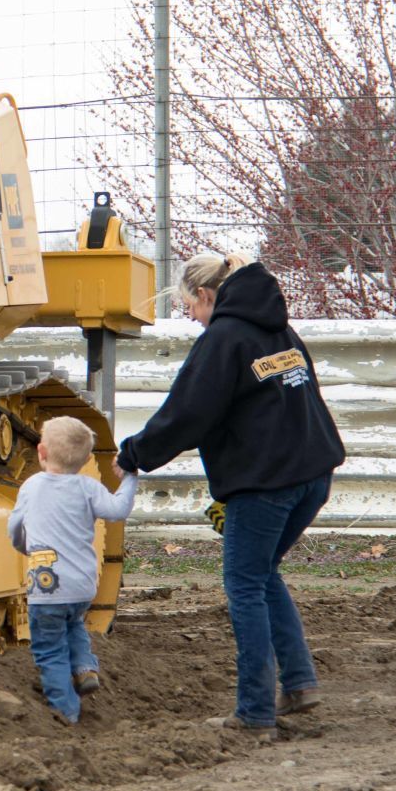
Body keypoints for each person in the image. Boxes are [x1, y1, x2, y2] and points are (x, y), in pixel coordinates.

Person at [117, 251, 345, 739]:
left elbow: (186, 414)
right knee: (262, 576)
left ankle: (255, 713)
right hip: (313, 474)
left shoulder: (223, 338)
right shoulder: (279, 329)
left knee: (244, 586)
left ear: (205, 295)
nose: (194, 319)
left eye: (191, 308)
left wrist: (133, 455)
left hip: (265, 484)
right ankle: (301, 683)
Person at [7, 416, 138, 723]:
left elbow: (15, 527)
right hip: (81, 585)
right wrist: (131, 477)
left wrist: (23, 545)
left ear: (40, 452)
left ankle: (65, 711)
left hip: (47, 587)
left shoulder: (31, 487)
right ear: (88, 458)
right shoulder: (88, 487)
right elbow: (118, 510)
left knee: (50, 649)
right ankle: (84, 669)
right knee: (75, 622)